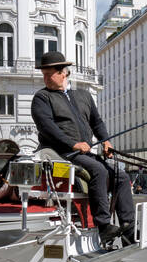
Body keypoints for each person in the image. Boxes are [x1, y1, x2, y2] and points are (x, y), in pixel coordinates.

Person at [30, 50, 134, 246]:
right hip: (61, 153)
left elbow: (97, 122)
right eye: (43, 74)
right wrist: (73, 144)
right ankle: (103, 226)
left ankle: (128, 227)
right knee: (99, 171)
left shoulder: (83, 96)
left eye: (48, 73)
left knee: (122, 177)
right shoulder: (42, 98)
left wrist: (106, 141)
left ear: (63, 73)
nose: (45, 78)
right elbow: (47, 127)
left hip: (82, 152)